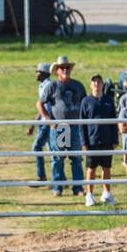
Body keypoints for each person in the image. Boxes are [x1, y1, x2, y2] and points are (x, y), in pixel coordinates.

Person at [47, 56, 86, 199]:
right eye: (62, 68)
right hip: (59, 126)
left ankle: (78, 187)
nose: (65, 70)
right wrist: (48, 120)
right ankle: (57, 187)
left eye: (67, 67)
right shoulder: (52, 86)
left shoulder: (78, 86)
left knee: (76, 158)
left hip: (74, 125)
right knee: (58, 158)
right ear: (57, 70)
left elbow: (84, 103)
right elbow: (40, 103)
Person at [80, 74, 117, 206]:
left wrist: (115, 139)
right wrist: (84, 142)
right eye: (94, 82)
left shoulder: (108, 100)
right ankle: (89, 194)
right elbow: (82, 123)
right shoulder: (86, 101)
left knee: (106, 168)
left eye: (99, 82)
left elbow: (114, 121)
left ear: (102, 84)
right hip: (92, 141)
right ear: (91, 85)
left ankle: (106, 193)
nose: (96, 84)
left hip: (106, 140)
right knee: (91, 168)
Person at [30, 62, 56, 187]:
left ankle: (42, 177)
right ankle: (58, 178)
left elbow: (47, 108)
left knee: (37, 147)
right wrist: (33, 124)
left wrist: (45, 120)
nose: (36, 73)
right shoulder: (42, 86)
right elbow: (41, 107)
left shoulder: (48, 86)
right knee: (52, 150)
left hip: (48, 122)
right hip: (44, 122)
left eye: (38, 71)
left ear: (45, 74)